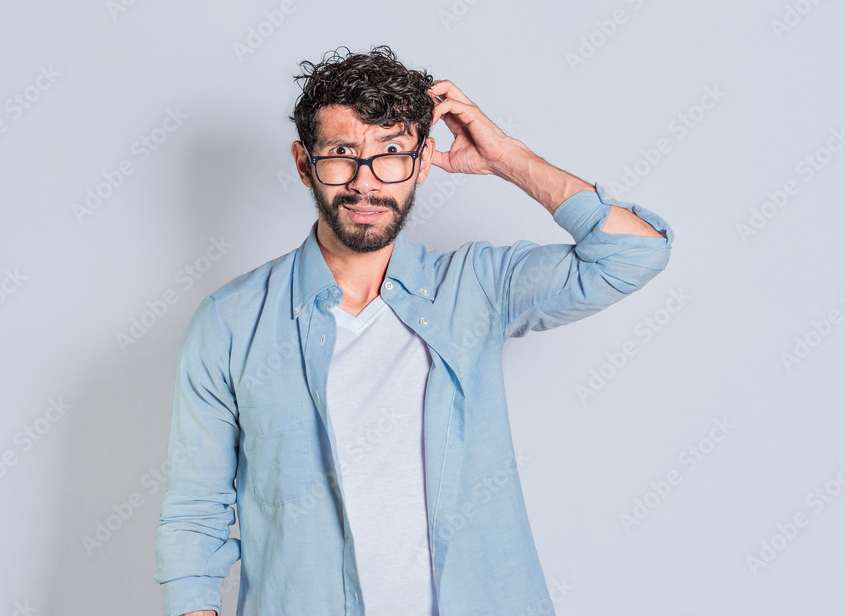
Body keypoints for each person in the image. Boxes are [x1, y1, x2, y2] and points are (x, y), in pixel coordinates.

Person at [155, 45, 673, 616]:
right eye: (342, 154)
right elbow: (196, 512)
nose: (366, 182)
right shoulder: (231, 321)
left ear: (423, 162)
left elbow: (633, 255)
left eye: (392, 153)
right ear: (304, 164)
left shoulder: (474, 287)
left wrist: (507, 157)